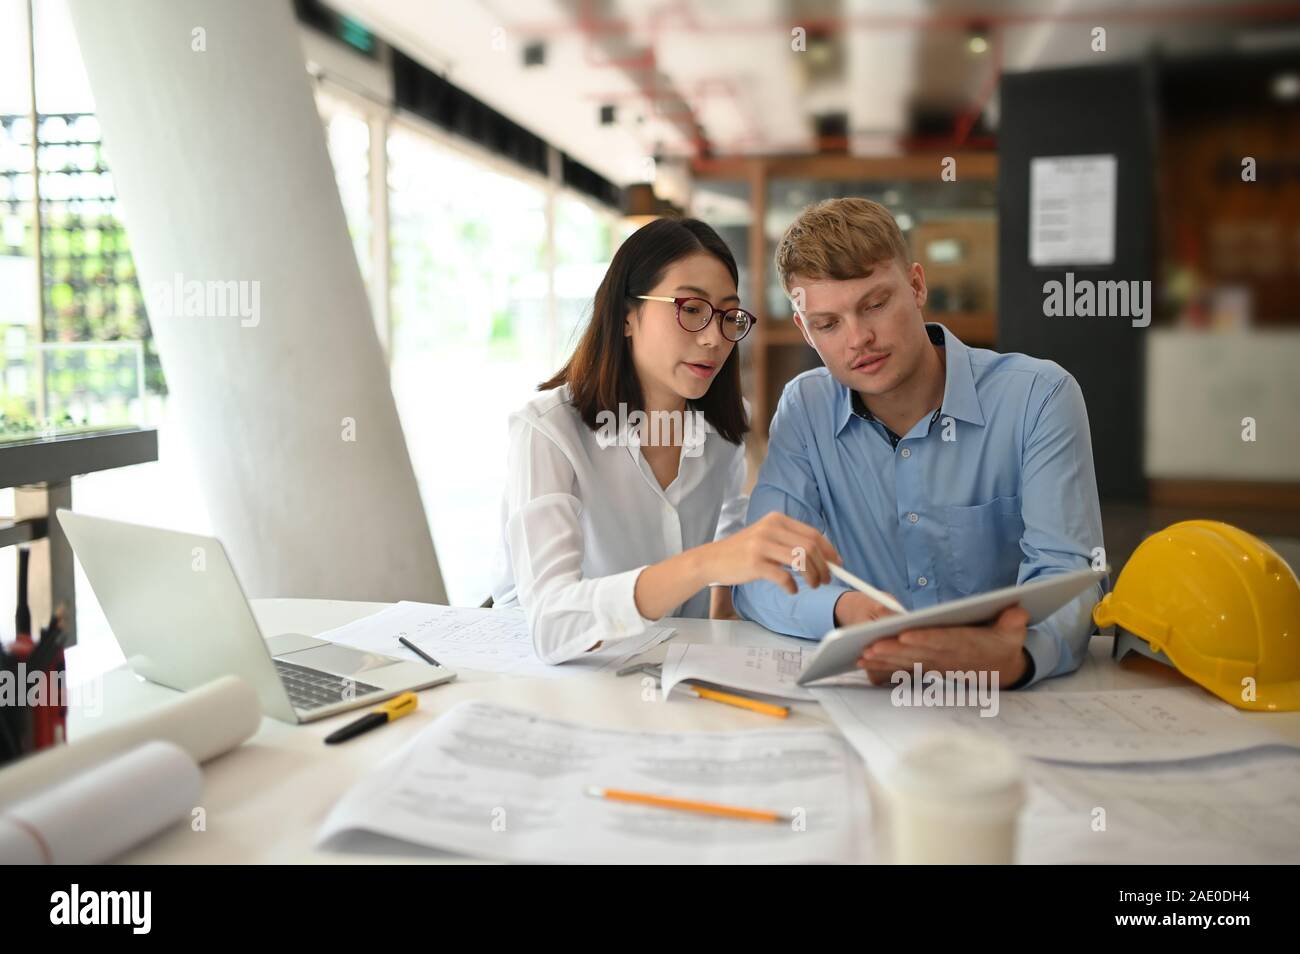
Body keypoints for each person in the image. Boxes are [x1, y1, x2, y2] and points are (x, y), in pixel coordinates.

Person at [733, 198, 1105, 688]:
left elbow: (1071, 575)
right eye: (828, 324)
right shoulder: (805, 409)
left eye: (875, 304)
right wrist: (844, 609)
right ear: (805, 329)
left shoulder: (1039, 397)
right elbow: (762, 575)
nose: (859, 339)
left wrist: (1014, 659)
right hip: (876, 698)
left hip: (1016, 698)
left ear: (916, 285)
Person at [491, 217, 841, 663]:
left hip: (673, 672)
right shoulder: (547, 431)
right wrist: (707, 562)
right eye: (691, 309)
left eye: (728, 315)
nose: (715, 338)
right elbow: (552, 622)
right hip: (549, 676)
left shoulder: (724, 430)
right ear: (626, 316)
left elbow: (728, 576)